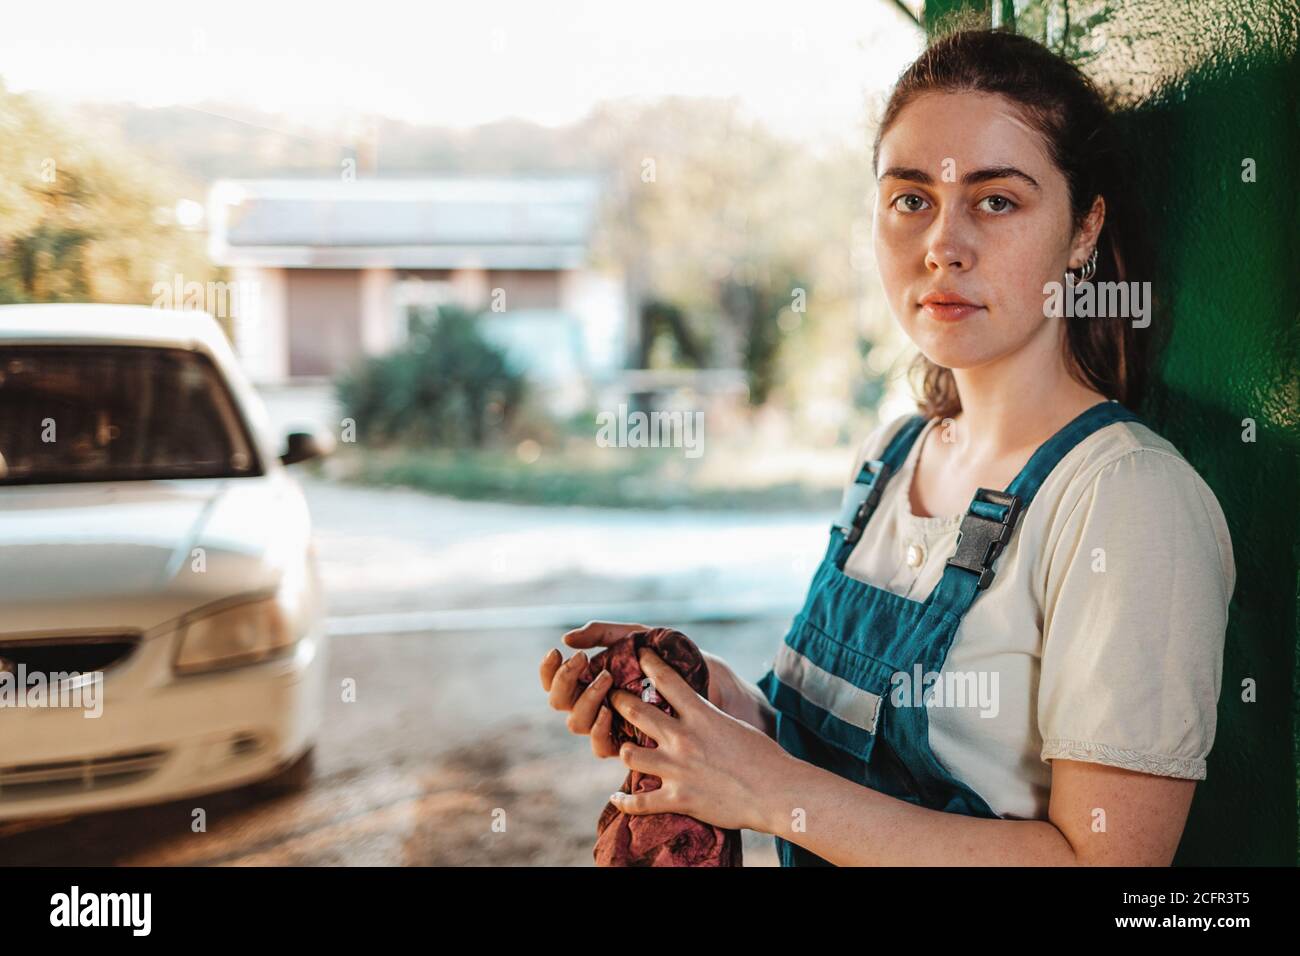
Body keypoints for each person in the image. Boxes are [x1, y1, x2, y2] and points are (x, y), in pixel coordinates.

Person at [539, 26, 1235, 866]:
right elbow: (822, 762)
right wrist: (706, 705)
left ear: (1083, 233)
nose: (943, 244)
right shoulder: (890, 458)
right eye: (911, 199)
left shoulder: (1125, 499)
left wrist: (768, 793)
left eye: (997, 200)